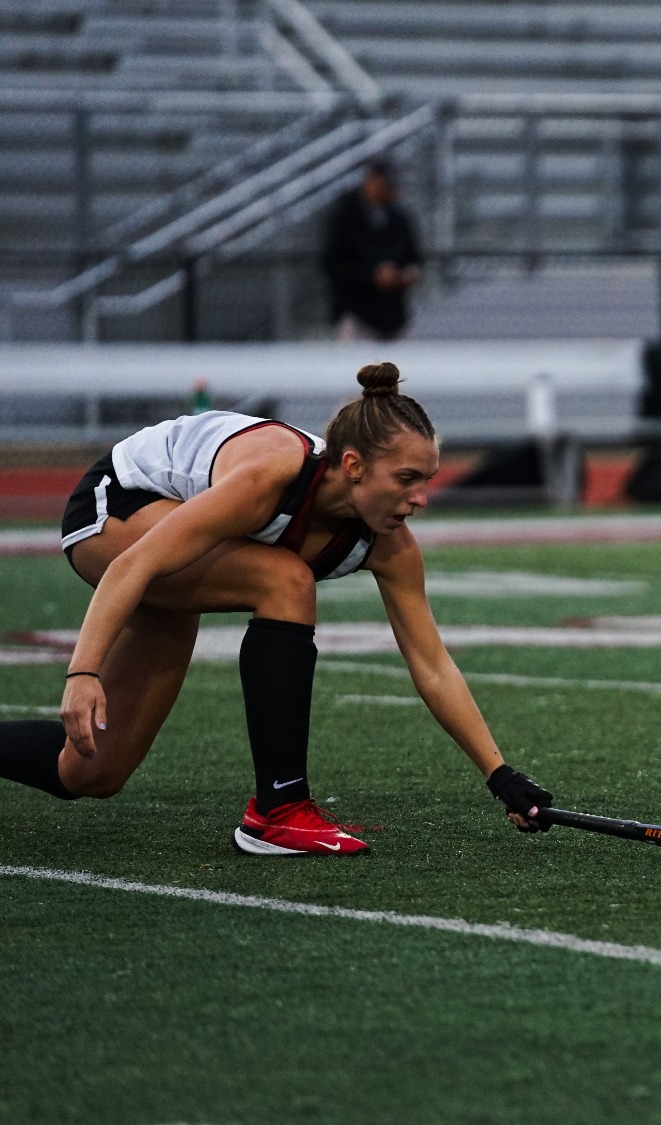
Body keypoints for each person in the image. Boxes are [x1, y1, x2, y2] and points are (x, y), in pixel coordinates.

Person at [0, 363, 553, 854]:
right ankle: (278, 811)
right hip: (114, 507)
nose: (421, 498)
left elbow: (432, 665)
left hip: (171, 542)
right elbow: (133, 565)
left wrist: (499, 774)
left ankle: (277, 812)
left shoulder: (393, 547)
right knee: (285, 580)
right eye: (406, 479)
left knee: (90, 772)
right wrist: (83, 672)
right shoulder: (269, 476)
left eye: (425, 481)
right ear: (353, 465)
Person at [322, 160, 424, 343]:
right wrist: (372, 274)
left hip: (394, 316)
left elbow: (413, 256)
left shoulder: (399, 218)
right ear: (370, 181)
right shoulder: (345, 217)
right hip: (358, 313)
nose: (390, 190)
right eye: (385, 185)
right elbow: (334, 263)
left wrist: (408, 272)